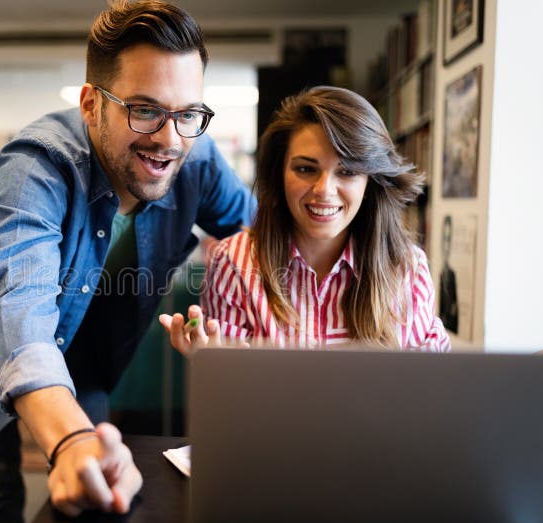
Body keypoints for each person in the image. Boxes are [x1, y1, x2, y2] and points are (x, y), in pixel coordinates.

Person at [0, 1, 255, 523]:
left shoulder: (198, 158)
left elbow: (261, 237)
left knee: (99, 473)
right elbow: (19, 317)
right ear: (92, 104)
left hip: (87, 318)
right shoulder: (37, 167)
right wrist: (71, 440)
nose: (170, 139)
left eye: (188, 113)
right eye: (144, 109)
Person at [160, 86, 451, 353]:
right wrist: (212, 371)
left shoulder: (407, 269)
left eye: (347, 172)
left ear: (370, 181)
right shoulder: (233, 263)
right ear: (279, 175)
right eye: (305, 169)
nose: (324, 190)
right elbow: (232, 389)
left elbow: (429, 387)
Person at [439, 215, 459, 333]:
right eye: (444, 239)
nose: (446, 246)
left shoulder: (452, 275)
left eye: (448, 240)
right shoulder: (438, 273)